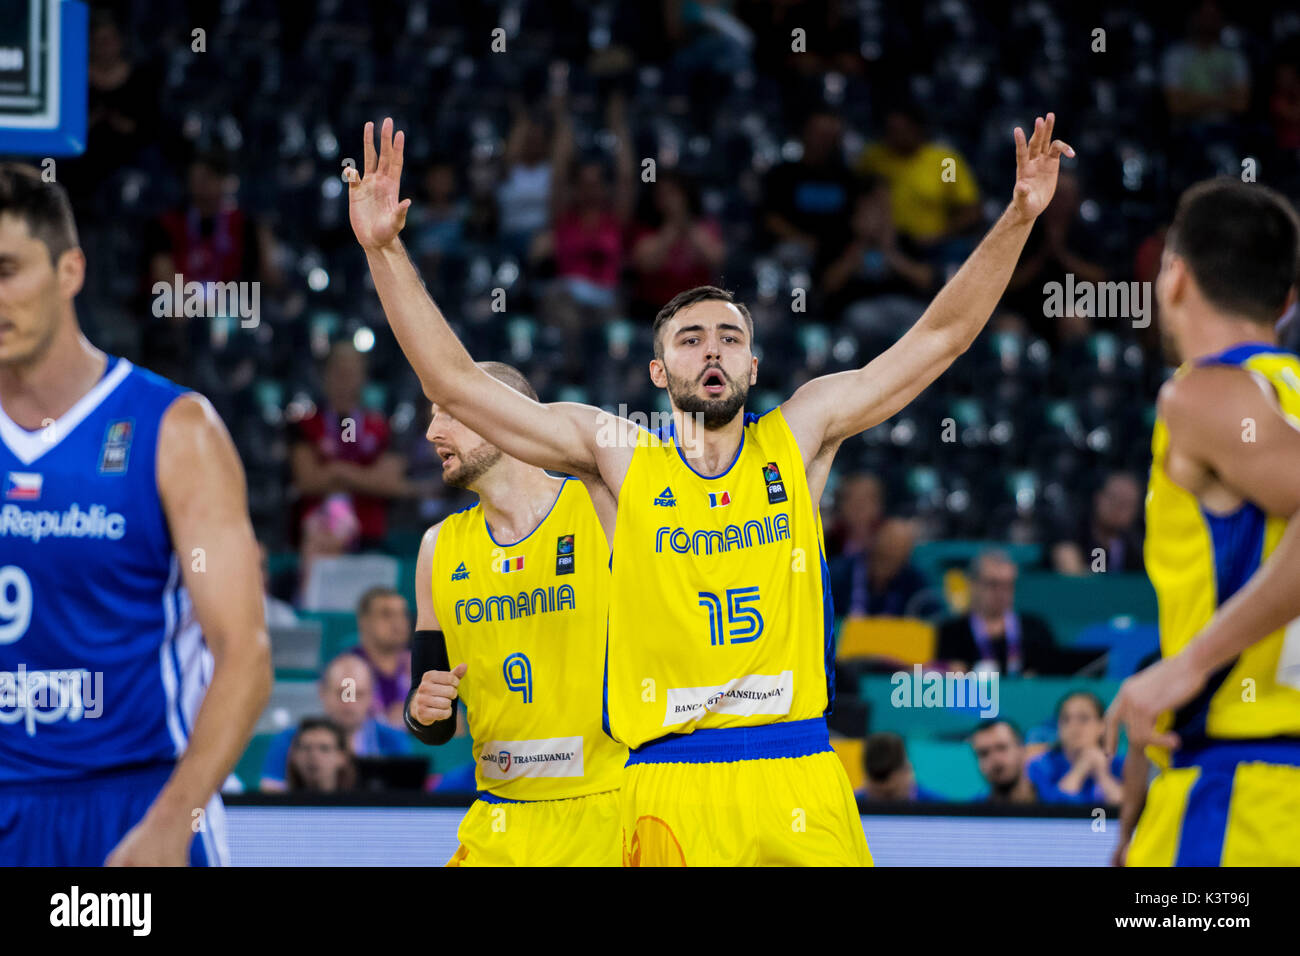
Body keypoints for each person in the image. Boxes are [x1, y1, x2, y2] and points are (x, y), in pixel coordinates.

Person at [347, 112, 1073, 866]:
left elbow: (938, 338)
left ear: (754, 368)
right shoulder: (619, 455)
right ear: (660, 374)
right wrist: (386, 249)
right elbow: (456, 385)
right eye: (690, 340)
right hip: (671, 782)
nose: (713, 349)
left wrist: (1018, 218)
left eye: (730, 337)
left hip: (797, 772)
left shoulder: (801, 432)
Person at [0, 164, 271, 865]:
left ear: (70, 270)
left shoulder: (176, 431)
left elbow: (245, 656)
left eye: (7, 270)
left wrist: (169, 825)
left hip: (139, 799)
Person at [1104, 179, 1300, 866]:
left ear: (1175, 275)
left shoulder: (1202, 393)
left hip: (1247, 797)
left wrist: (1189, 665)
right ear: (1287, 301)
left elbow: (1199, 659)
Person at [404, 362, 625, 866]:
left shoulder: (600, 507)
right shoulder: (438, 548)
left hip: (612, 809)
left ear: (505, 416)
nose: (432, 431)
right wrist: (423, 710)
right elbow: (430, 717)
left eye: (450, 413)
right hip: (499, 818)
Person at [290, 340, 420, 550]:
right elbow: (307, 480)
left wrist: (337, 471)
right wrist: (364, 478)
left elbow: (388, 483)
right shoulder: (305, 425)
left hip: (370, 538)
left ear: (364, 377)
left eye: (352, 371)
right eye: (338, 371)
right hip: (317, 540)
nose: (345, 379)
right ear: (324, 376)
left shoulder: (382, 428)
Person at [259, 654, 410, 791]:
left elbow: (406, 799)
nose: (349, 704)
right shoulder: (290, 740)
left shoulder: (393, 740)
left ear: (372, 696)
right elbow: (271, 799)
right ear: (322, 692)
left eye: (358, 694)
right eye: (341, 693)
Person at [936, 549, 1060, 675]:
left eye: (1008, 585)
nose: (1001, 593)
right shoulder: (952, 633)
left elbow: (1052, 674)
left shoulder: (1036, 630)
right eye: (993, 584)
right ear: (973, 585)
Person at [1026, 692, 1123, 806]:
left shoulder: (1119, 765)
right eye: (1066, 719)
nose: (1074, 726)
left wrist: (1102, 775)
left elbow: (1127, 809)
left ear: (1102, 725)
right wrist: (1081, 768)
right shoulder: (1041, 765)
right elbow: (1054, 812)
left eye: (1083, 718)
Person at [1050, 470, 1145, 575]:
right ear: (1098, 498)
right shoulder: (1071, 533)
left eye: (1127, 503)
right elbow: (1072, 573)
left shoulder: (1137, 544)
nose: (1118, 508)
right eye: (1114, 499)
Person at [346, 587, 412, 728]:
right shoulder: (347, 670)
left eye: (402, 614)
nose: (398, 622)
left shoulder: (422, 666)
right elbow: (346, 713)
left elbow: (457, 725)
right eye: (386, 614)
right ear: (363, 621)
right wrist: (385, 722)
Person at [857, 732, 943, 802]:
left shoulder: (942, 810)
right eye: (879, 794)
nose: (886, 805)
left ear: (908, 770)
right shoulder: (850, 808)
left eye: (890, 794)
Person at [969, 721, 1038, 805]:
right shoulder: (972, 813)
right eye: (984, 753)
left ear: (1021, 748)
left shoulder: (1053, 801)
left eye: (1001, 748)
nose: (995, 759)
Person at [285, 718, 357, 793]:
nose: (313, 755)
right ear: (294, 756)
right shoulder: (279, 803)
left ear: (342, 757)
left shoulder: (361, 803)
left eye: (324, 748)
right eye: (306, 748)